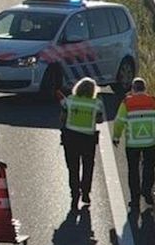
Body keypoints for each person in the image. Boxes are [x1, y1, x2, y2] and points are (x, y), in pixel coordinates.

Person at [60, 77, 104, 209]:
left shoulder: (69, 101)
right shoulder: (97, 103)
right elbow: (100, 120)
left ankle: (74, 192)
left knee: (73, 167)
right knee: (88, 166)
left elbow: (62, 118)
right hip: (88, 139)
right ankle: (85, 192)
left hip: (70, 138)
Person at [113, 77, 155, 209]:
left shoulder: (127, 102)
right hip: (150, 142)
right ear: (145, 88)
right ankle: (147, 192)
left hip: (132, 143)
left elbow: (119, 121)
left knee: (133, 171)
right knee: (149, 168)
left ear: (132, 89)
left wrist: (116, 137)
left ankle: (135, 198)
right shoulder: (152, 101)